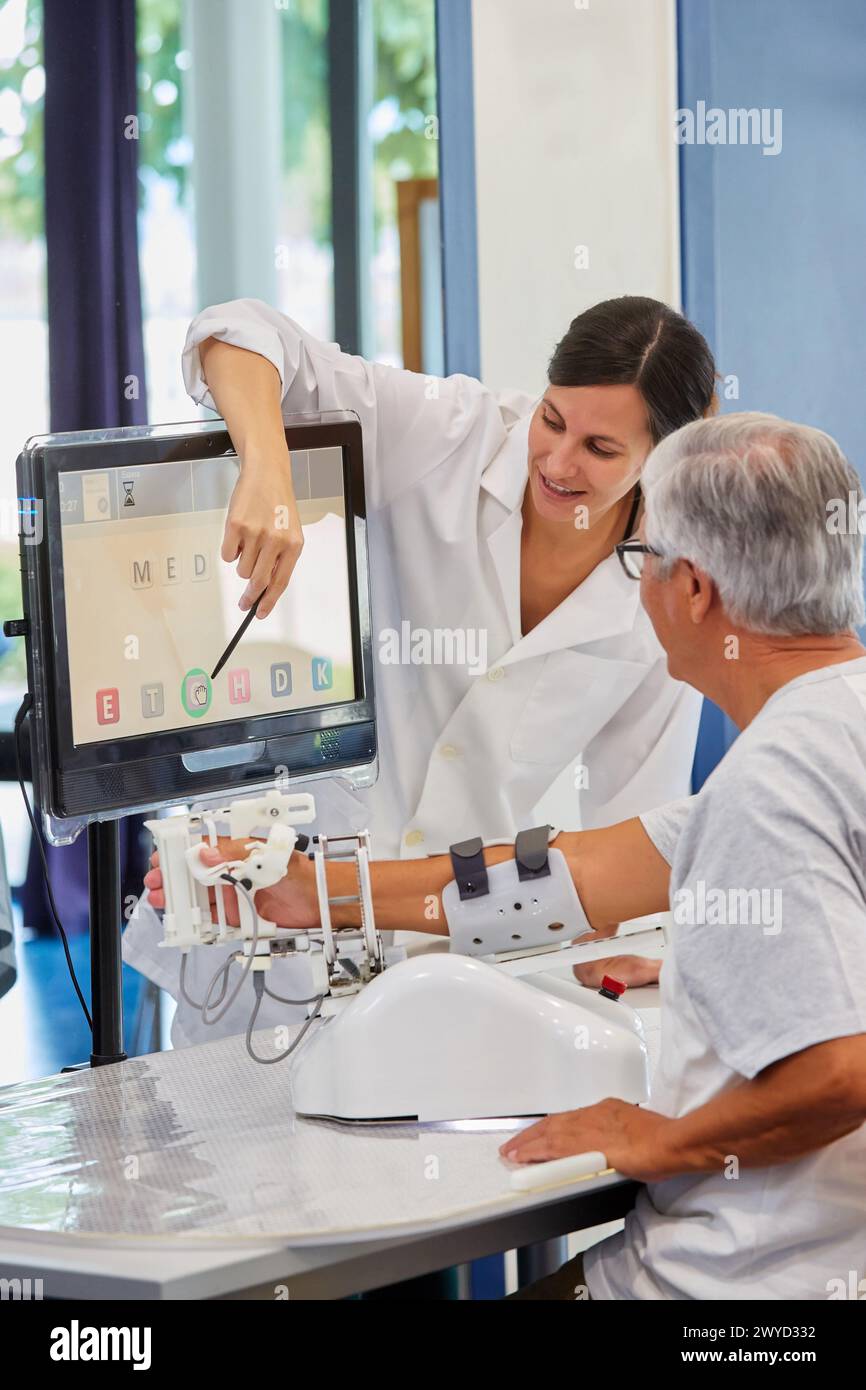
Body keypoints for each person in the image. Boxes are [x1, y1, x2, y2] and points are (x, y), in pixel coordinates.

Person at [147, 412, 866, 1300]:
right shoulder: (833, 727)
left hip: (742, 1289)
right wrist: (314, 891)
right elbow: (565, 876)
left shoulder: (769, 783)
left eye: (643, 561)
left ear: (695, 592)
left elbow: (839, 1073)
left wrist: (658, 1140)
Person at [126, 295, 717, 1045]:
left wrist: (641, 944)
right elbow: (235, 332)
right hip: (268, 922)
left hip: (457, 948)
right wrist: (269, 468)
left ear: (662, 457)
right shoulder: (450, 435)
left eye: (601, 450)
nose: (558, 464)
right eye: (553, 419)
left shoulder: (667, 587)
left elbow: (634, 835)